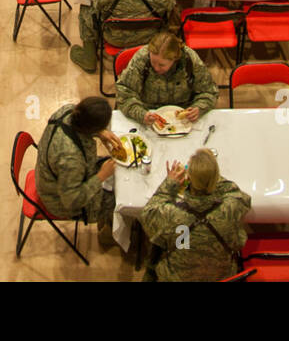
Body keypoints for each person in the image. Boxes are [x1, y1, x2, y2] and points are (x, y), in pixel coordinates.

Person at [140, 148, 252, 282]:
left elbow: (148, 212)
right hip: (221, 277)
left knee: (158, 244)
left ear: (190, 178)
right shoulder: (230, 208)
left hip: (177, 278)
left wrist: (170, 183)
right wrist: (210, 174)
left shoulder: (172, 214)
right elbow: (240, 196)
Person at [34, 97, 121, 249]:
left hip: (56, 176)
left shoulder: (67, 111)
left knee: (116, 168)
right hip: (57, 198)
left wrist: (100, 132)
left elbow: (81, 124)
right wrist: (101, 176)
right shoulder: (71, 159)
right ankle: (109, 235)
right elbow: (72, 200)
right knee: (117, 199)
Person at [117, 30, 219, 129]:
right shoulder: (142, 58)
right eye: (153, 63)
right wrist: (141, 114)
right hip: (149, 113)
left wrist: (199, 108)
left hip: (184, 117)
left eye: (162, 65)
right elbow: (124, 93)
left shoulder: (189, 60)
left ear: (175, 59)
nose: (156, 68)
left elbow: (209, 92)